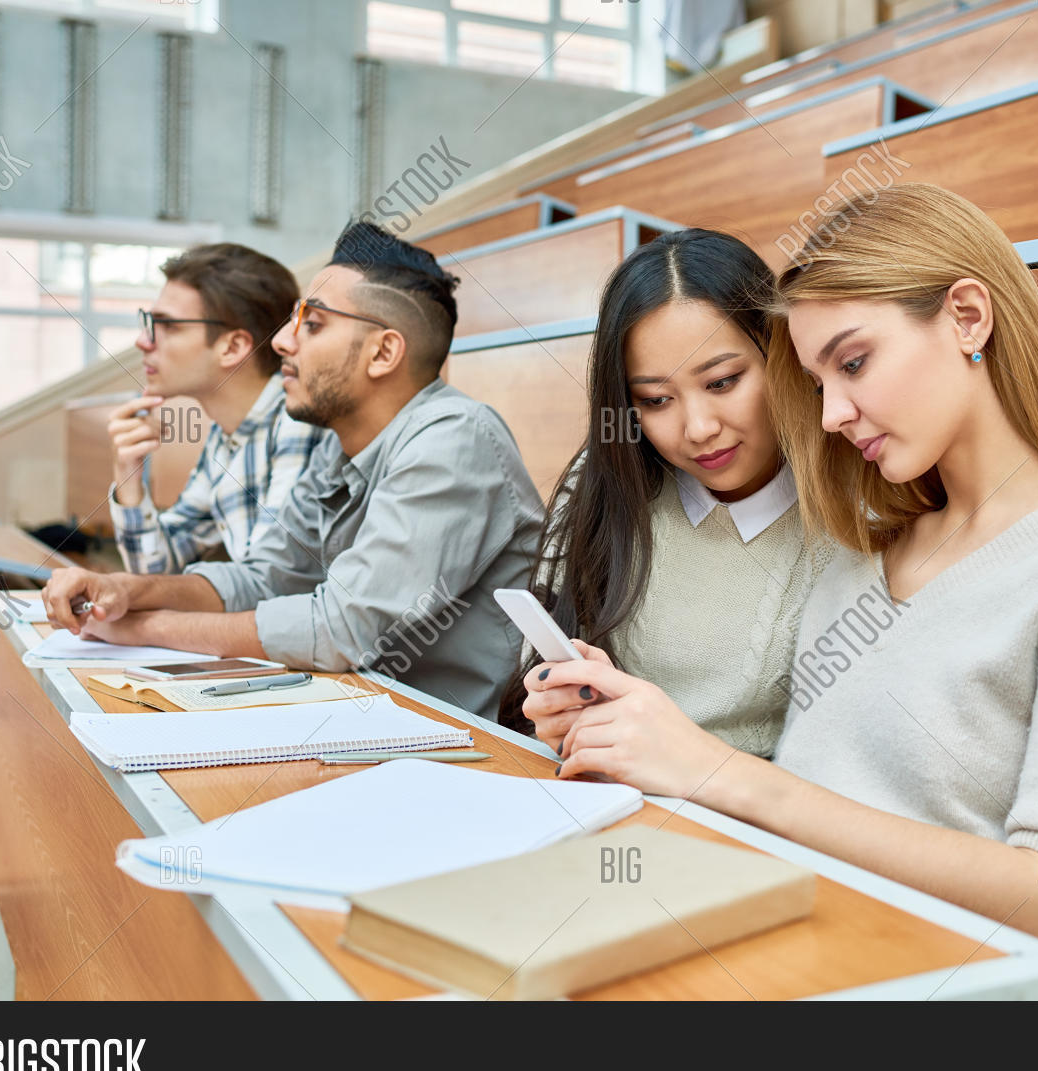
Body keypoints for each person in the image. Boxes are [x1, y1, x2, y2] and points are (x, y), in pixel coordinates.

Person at [525, 184, 1038, 999]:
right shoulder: (864, 554)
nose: (829, 414)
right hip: (802, 960)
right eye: (817, 380)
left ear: (968, 318)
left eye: (853, 363)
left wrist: (723, 773)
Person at [43, 220, 544, 721]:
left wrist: (141, 628)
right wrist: (128, 592)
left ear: (384, 352)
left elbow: (342, 629)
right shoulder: (339, 448)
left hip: (465, 746)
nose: (282, 340)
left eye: (313, 323)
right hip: (368, 721)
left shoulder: (453, 438)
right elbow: (264, 579)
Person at [501, 228, 835, 759]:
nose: (698, 428)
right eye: (656, 400)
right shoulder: (603, 481)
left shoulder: (852, 500)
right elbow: (535, 684)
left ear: (782, 352)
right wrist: (556, 711)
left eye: (723, 382)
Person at [108, 243, 325, 573]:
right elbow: (155, 567)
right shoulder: (226, 437)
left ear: (233, 347)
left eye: (168, 325)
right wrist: (129, 473)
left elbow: (272, 578)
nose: (143, 340)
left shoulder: (296, 421)